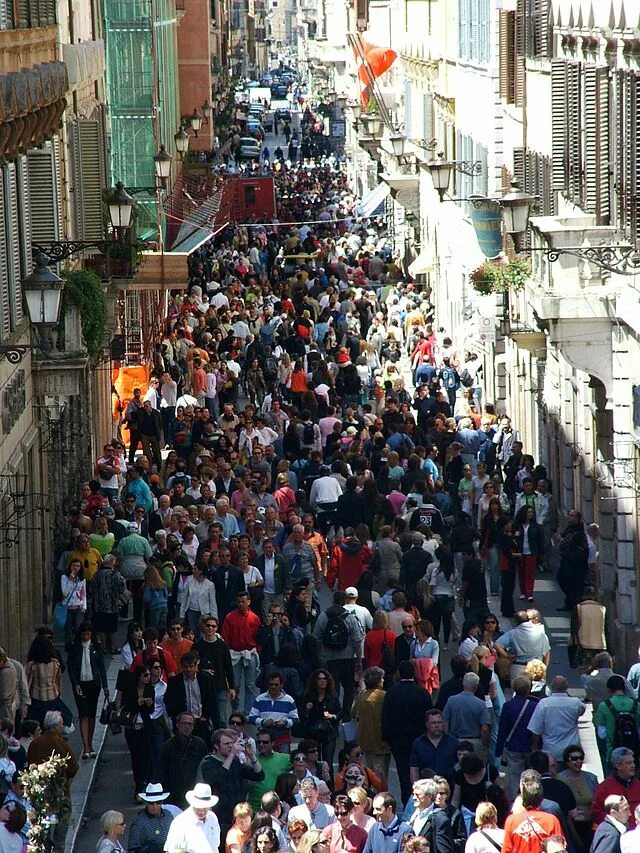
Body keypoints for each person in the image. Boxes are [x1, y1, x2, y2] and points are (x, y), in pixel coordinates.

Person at [196, 727, 264, 837]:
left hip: (238, 816)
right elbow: (218, 780)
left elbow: (259, 775)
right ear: (216, 746)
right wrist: (232, 754)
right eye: (226, 743)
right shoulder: (208, 762)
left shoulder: (235, 761)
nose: (231, 746)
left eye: (232, 743)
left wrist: (251, 755)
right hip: (220, 817)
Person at [382, 660, 432, 806]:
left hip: (398, 741)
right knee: (419, 772)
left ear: (398, 673)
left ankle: (407, 802)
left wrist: (386, 737)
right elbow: (428, 715)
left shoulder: (392, 692)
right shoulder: (422, 692)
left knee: (403, 773)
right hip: (419, 738)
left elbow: (386, 716)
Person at [27, 710, 79, 850]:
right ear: (56, 726)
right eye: (61, 724)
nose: (62, 727)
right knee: (59, 834)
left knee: (45, 831)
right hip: (60, 795)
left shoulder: (35, 744)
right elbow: (73, 767)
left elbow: (30, 766)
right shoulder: (61, 743)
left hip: (41, 795)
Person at [313, 591, 364, 722]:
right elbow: (357, 641)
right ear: (345, 602)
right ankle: (346, 714)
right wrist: (358, 661)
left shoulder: (323, 617)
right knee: (348, 688)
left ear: (333, 601)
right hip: (347, 659)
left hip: (328, 659)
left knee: (331, 688)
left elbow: (316, 638)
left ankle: (332, 713)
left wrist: (318, 656)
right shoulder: (350, 618)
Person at [66, 621, 109, 759]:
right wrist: (75, 684)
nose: (85, 636)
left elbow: (101, 667)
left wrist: (105, 685)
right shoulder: (75, 647)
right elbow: (71, 668)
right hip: (80, 684)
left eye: (88, 634)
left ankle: (90, 744)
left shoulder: (96, 646)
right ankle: (85, 747)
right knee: (83, 714)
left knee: (91, 714)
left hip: (93, 684)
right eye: (83, 634)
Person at [495, 675, 537, 801]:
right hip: (530, 746)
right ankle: (532, 797)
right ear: (528, 689)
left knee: (515, 776)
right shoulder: (534, 706)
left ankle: (517, 800)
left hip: (514, 746)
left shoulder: (508, 706)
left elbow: (502, 729)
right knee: (532, 775)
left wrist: (498, 749)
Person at [164, 652, 220, 745]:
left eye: (191, 666)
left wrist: (206, 717)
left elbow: (211, 699)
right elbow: (168, 700)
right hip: (183, 722)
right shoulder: (174, 681)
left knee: (201, 747)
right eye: (186, 667)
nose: (188, 669)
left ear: (196, 666)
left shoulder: (205, 679)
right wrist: (176, 717)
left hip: (200, 720)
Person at [527, 676, 585, 762]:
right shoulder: (575, 703)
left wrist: (534, 747)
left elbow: (536, 730)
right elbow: (582, 710)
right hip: (572, 750)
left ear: (551, 687)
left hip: (551, 751)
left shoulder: (543, 704)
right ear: (566, 687)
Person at [502, 773, 564, 853]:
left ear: (523, 797)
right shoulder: (552, 820)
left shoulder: (511, 820)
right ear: (541, 798)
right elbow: (560, 848)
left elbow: (506, 850)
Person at [222, 592, 262, 716]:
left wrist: (257, 651)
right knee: (236, 684)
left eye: (243, 601)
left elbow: (258, 637)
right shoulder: (230, 617)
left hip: (250, 653)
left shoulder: (255, 618)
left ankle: (248, 712)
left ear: (248, 602)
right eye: (239, 602)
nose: (240, 604)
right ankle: (235, 708)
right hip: (235, 653)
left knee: (250, 685)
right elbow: (225, 636)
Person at [157, 711, 209, 808]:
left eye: (190, 724)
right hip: (173, 796)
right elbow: (160, 773)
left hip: (195, 793)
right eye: (184, 723)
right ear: (177, 725)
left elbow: (205, 768)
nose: (187, 726)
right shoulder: (167, 747)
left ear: (193, 726)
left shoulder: (200, 744)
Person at [352, 667, 390, 780]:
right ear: (378, 681)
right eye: (382, 679)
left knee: (367, 776)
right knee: (380, 778)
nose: (383, 681)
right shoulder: (385, 696)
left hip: (364, 741)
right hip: (381, 742)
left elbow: (353, 713)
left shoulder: (361, 696)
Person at [442, 673, 490, 762]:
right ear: (476, 686)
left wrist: (447, 740)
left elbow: (445, 722)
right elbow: (485, 729)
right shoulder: (481, 704)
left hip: (455, 741)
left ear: (463, 684)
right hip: (475, 742)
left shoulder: (451, 700)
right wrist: (484, 744)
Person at [595, 675, 640, 768]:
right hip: (633, 754)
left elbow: (602, 734)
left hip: (612, 754)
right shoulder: (636, 705)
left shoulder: (604, 705)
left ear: (609, 689)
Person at [163, 783, 221, 853]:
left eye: (205, 808)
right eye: (198, 808)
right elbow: (172, 850)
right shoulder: (180, 822)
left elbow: (216, 844)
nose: (201, 812)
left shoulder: (213, 818)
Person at [249, 672, 299, 751]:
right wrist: (263, 722)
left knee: (283, 762)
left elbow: (295, 719)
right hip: (264, 740)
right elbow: (251, 718)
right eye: (271, 684)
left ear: (281, 685)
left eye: (276, 684)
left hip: (282, 739)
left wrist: (285, 722)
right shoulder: (260, 699)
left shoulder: (289, 700)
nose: (273, 687)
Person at [409, 707, 459, 786]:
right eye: (433, 723)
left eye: (439, 722)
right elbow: (414, 769)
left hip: (449, 786)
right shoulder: (418, 744)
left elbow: (459, 767)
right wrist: (416, 788)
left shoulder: (453, 742)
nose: (437, 725)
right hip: (427, 787)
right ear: (427, 724)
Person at [592, 748, 640, 826]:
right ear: (618, 766)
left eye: (633, 762)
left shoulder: (638, 785)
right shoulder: (604, 788)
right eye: (629, 763)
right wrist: (616, 823)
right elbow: (596, 814)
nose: (633, 766)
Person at [248, 731, 292, 812]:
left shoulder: (284, 758)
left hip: (275, 808)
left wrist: (322, 764)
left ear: (273, 743)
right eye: (259, 742)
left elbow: (302, 761)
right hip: (254, 808)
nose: (261, 744)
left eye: (265, 742)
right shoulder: (251, 759)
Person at [408, 778, 454, 853]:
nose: (414, 798)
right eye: (413, 794)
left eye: (417, 795)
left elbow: (444, 850)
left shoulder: (440, 818)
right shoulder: (414, 814)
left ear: (429, 797)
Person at [128, 783, 174, 853]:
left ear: (162, 801)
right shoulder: (139, 823)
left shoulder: (168, 815)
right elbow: (132, 850)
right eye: (151, 803)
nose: (155, 806)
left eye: (158, 802)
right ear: (146, 803)